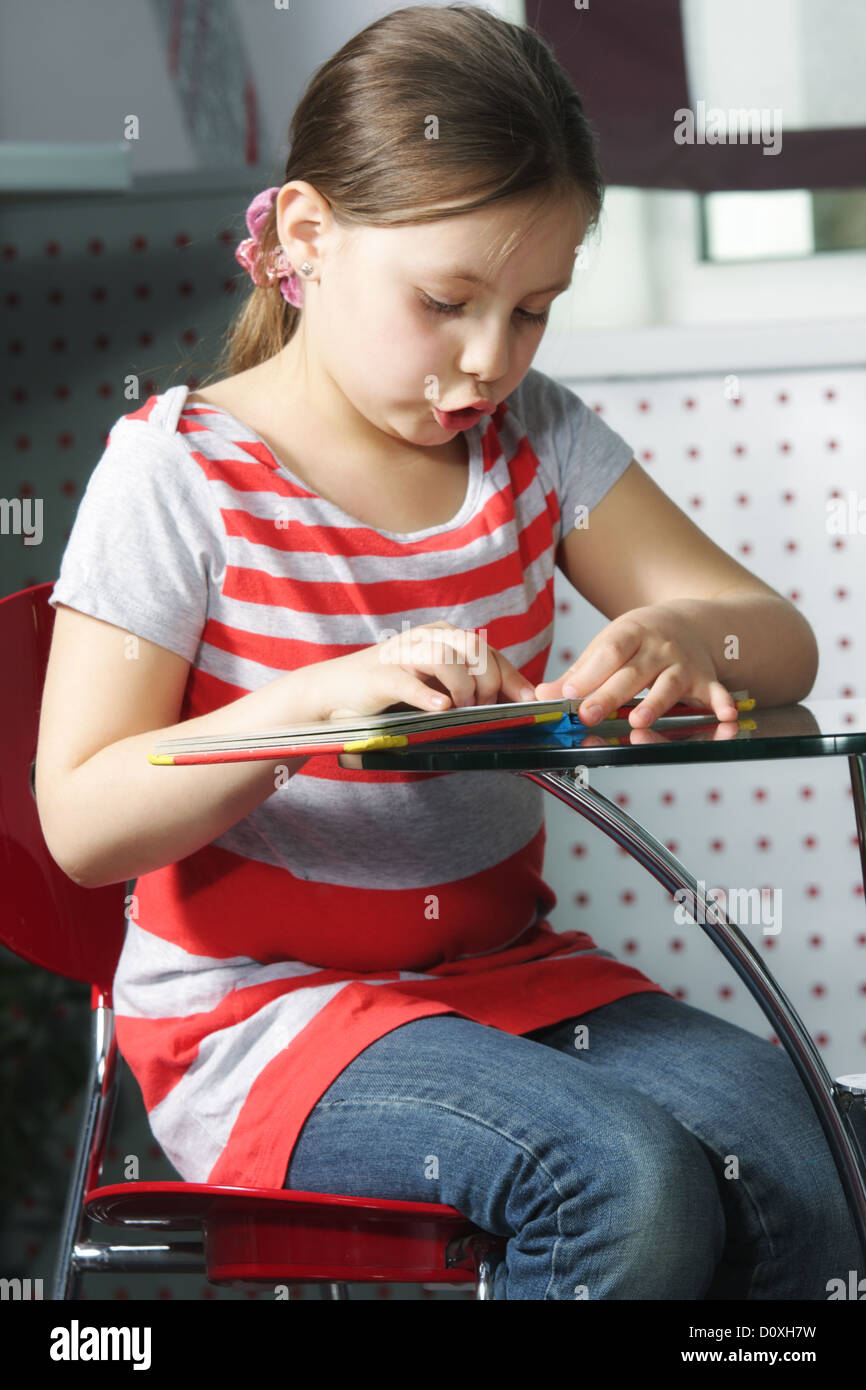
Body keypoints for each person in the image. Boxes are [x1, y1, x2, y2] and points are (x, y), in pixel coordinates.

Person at [35, 4, 857, 1299]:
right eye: (447, 301)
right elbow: (82, 822)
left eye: (533, 309)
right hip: (262, 1016)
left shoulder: (535, 441)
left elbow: (781, 642)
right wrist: (307, 704)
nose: (489, 360)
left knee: (810, 1156)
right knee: (617, 1177)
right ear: (307, 238)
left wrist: (676, 631)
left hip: (508, 977)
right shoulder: (180, 470)